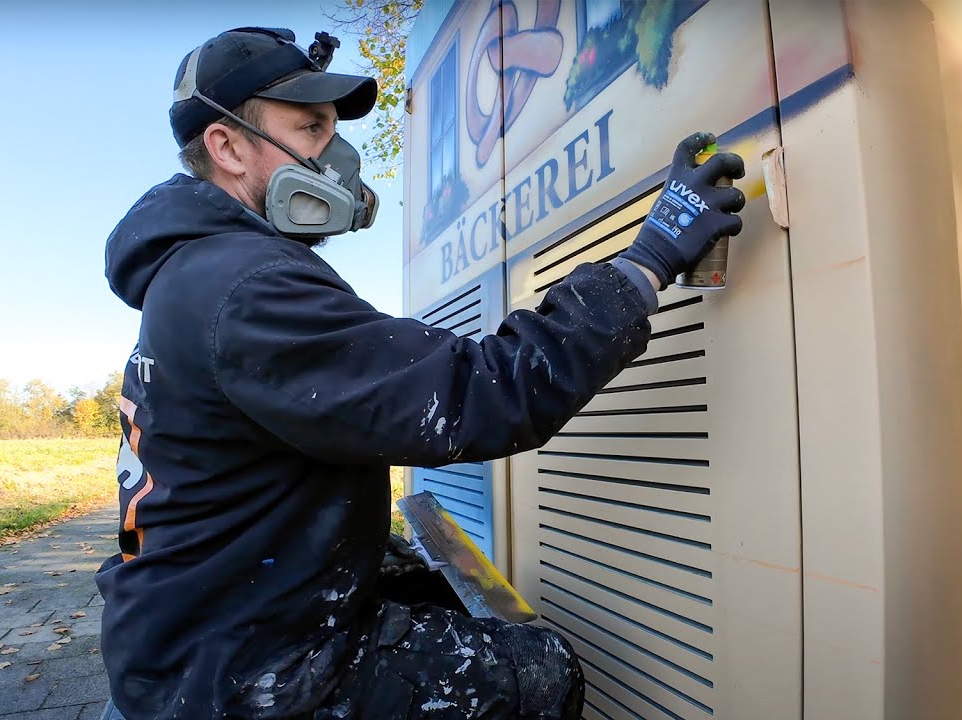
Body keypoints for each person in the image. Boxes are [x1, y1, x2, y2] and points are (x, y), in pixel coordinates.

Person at [97, 25, 745, 720]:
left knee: (423, 589)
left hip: (181, 642)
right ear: (227, 147)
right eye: (310, 126)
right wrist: (648, 260)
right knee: (542, 673)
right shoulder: (244, 286)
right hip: (236, 675)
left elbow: (166, 511)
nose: (334, 152)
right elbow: (478, 393)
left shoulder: (194, 276)